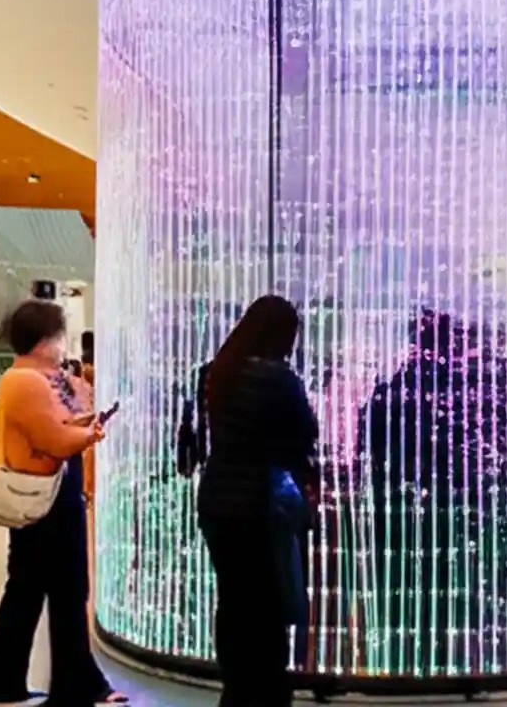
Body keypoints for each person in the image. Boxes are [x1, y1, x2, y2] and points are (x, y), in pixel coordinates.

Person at [0, 300, 127, 706]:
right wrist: (92, 433)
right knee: (51, 591)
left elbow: (56, 426)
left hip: (52, 497)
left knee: (43, 591)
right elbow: (56, 441)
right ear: (44, 341)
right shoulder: (26, 382)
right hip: (48, 502)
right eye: (60, 336)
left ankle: (19, 682)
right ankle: (58, 683)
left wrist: (82, 419)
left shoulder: (32, 379)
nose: (63, 345)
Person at [198, 295, 317, 707]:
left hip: (216, 501)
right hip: (259, 505)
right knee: (267, 608)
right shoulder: (278, 379)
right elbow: (304, 434)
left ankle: (236, 689)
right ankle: (264, 693)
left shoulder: (216, 373)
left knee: (232, 600)